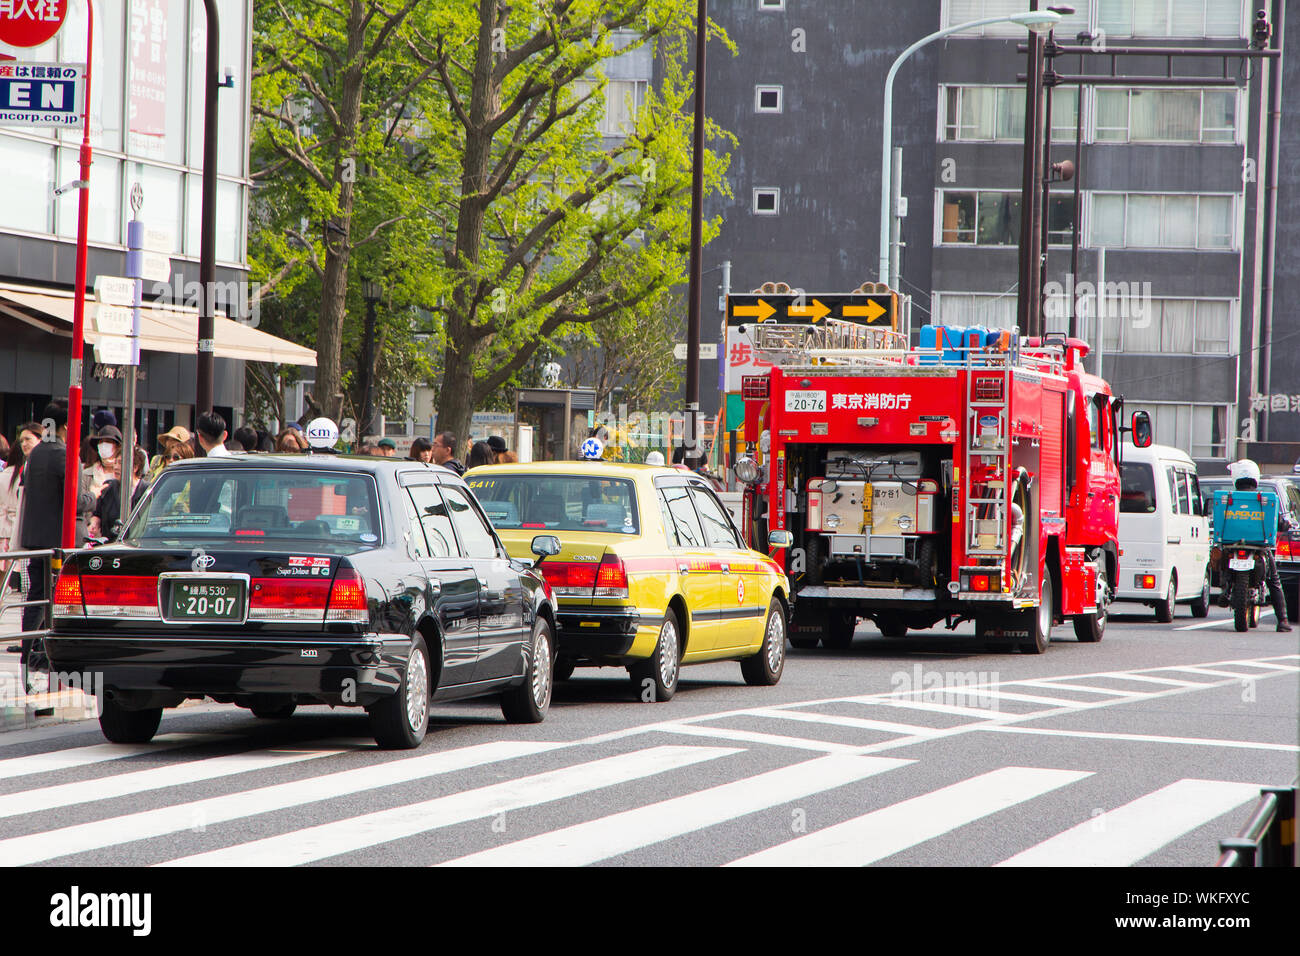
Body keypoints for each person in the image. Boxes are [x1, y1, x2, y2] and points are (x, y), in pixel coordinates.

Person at [18, 401, 94, 647]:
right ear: (66, 425)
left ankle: (30, 649)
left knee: (38, 595)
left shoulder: (37, 453)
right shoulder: (64, 453)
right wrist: (94, 496)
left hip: (37, 537)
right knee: (60, 597)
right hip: (60, 540)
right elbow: (74, 501)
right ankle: (44, 649)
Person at [1225, 459, 1291, 632]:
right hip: (1259, 546)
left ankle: (1225, 591)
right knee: (1274, 580)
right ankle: (1283, 620)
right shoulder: (1265, 500)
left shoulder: (1227, 499)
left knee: (1219, 560)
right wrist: (1285, 525)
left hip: (1231, 545)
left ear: (1236, 478)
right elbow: (1279, 523)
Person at [0, 422, 41, 592]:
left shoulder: (5, 474)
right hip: (17, 532)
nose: (24, 443)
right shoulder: (27, 474)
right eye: (22, 440)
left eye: (28, 439)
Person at [91, 447, 148, 542]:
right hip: (110, 546)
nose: (116, 467)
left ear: (135, 467)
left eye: (121, 463)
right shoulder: (108, 487)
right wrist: (94, 523)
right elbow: (97, 514)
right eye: (115, 462)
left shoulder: (147, 491)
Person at [86, 424, 122, 500]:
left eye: (108, 441)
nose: (103, 445)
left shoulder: (125, 475)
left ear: (117, 446)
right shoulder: (87, 474)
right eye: (100, 442)